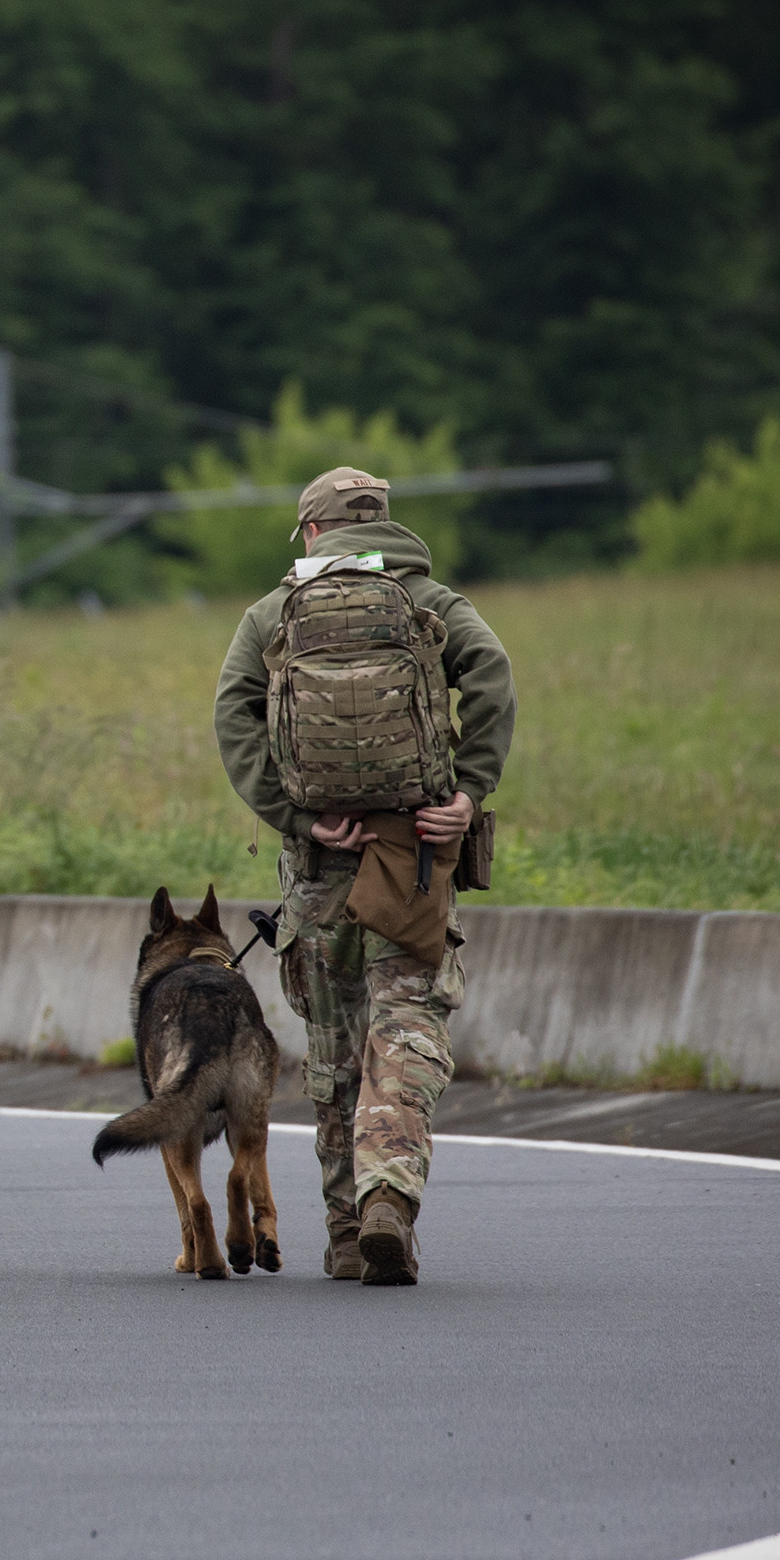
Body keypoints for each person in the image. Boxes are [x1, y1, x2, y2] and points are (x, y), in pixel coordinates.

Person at [211, 466, 515, 1285]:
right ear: (381, 524)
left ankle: (347, 1230)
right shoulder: (433, 605)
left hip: (322, 865)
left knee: (335, 1049)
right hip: (412, 857)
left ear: (313, 532)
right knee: (405, 1036)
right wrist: (467, 790)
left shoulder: (274, 611)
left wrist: (296, 815)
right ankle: (390, 1198)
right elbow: (491, 677)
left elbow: (231, 714)